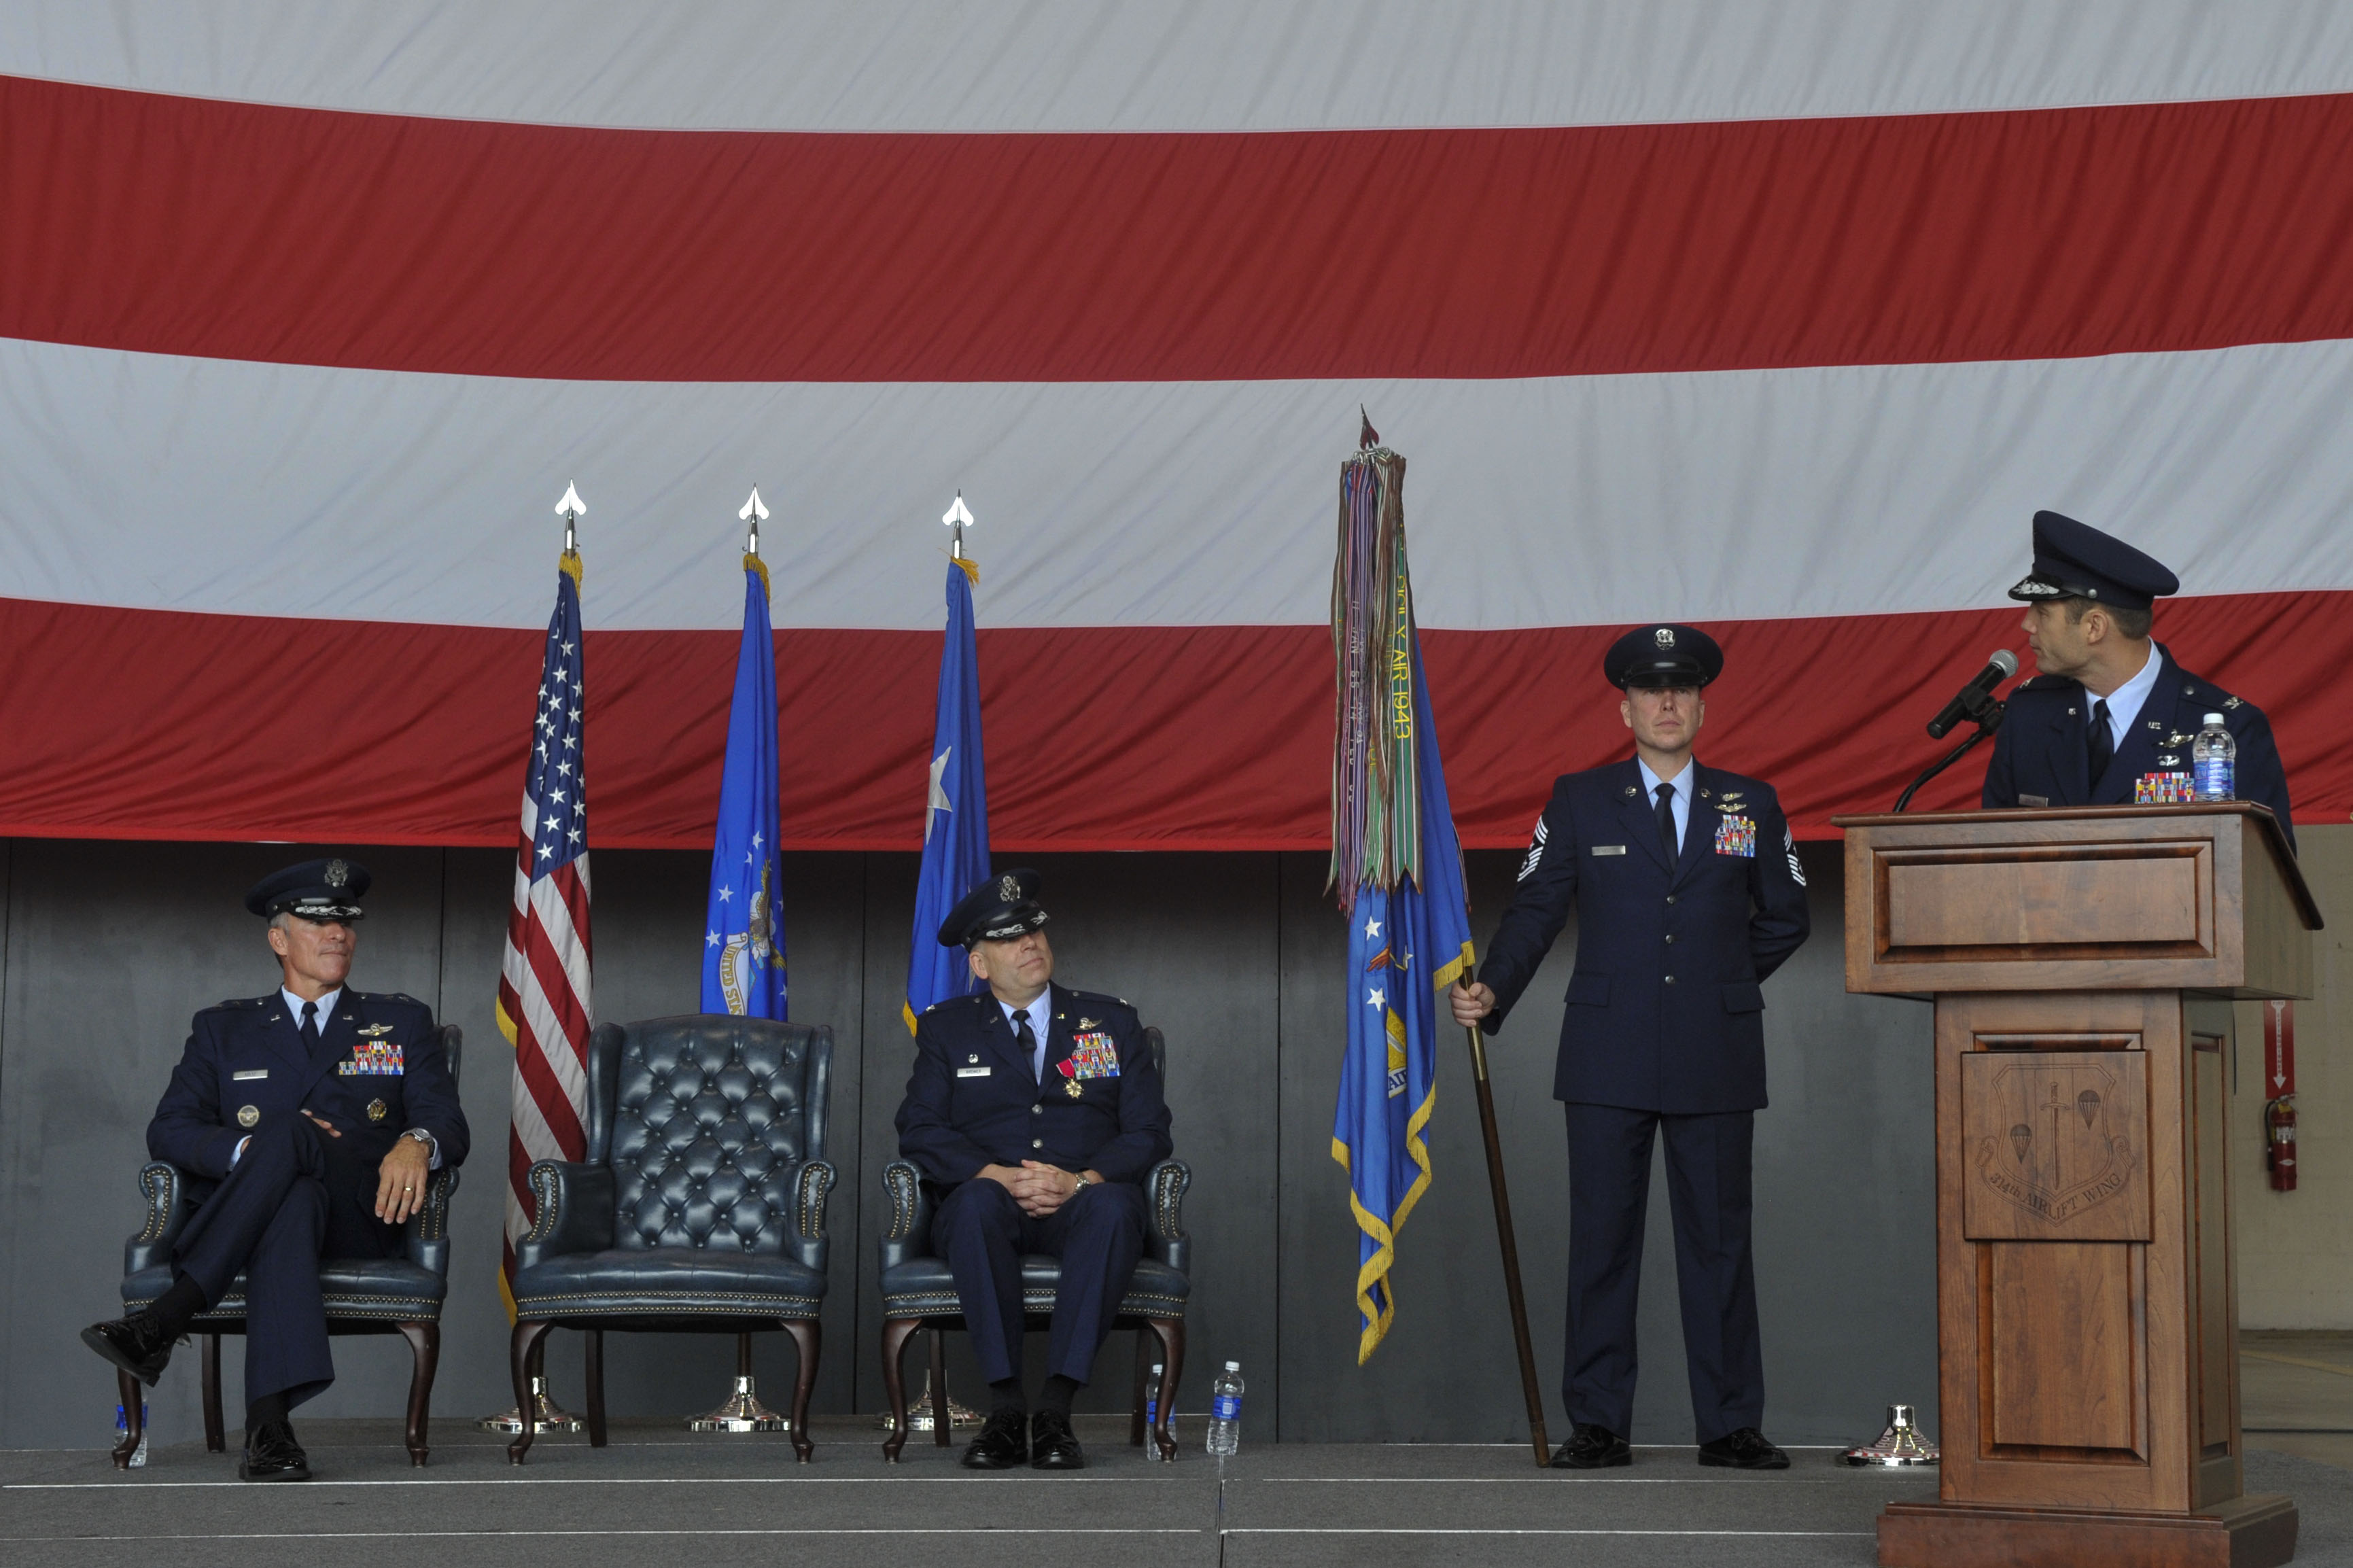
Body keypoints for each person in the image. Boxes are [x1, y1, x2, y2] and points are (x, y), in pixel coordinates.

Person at [1448, 625, 1810, 1471]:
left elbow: (1787, 916)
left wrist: (1723, 981)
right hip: (1607, 1049)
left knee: (1719, 1244)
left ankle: (1729, 1424)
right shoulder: (1579, 799)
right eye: (1652, 691)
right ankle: (1600, 1422)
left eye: (1682, 689)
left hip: (1714, 1051)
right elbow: (1537, 907)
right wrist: (1495, 986)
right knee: (1602, 1242)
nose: (1668, 703)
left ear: (1703, 705)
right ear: (1626, 708)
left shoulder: (1749, 803)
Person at [80, 860, 468, 1481]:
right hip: (270, 1218)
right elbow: (170, 1129)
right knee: (288, 1192)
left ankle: (167, 1316)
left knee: (288, 1134)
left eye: (345, 921)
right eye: (318, 920)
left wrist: (416, 1141)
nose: (338, 932)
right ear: (279, 938)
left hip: (362, 1215)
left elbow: (448, 1120)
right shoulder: (223, 1028)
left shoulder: (401, 1021)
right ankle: (269, 1431)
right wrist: (246, 1154)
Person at [896, 869, 1172, 1471]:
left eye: (1034, 930)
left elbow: (1150, 1132)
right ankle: (1004, 1409)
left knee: (1114, 1207)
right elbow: (918, 1127)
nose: (1029, 943)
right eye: (1008, 937)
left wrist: (1083, 1180)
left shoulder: (1111, 1022)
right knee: (968, 1204)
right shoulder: (947, 1028)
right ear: (979, 964)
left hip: (1080, 1199)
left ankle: (1054, 1409)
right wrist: (993, 1173)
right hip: (991, 1201)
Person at [1983, 509, 2295, 850]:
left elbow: (2263, 874)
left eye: (2042, 612)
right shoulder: (2029, 714)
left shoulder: (2231, 728)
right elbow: (1995, 851)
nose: (2027, 625)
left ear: (2094, 627)